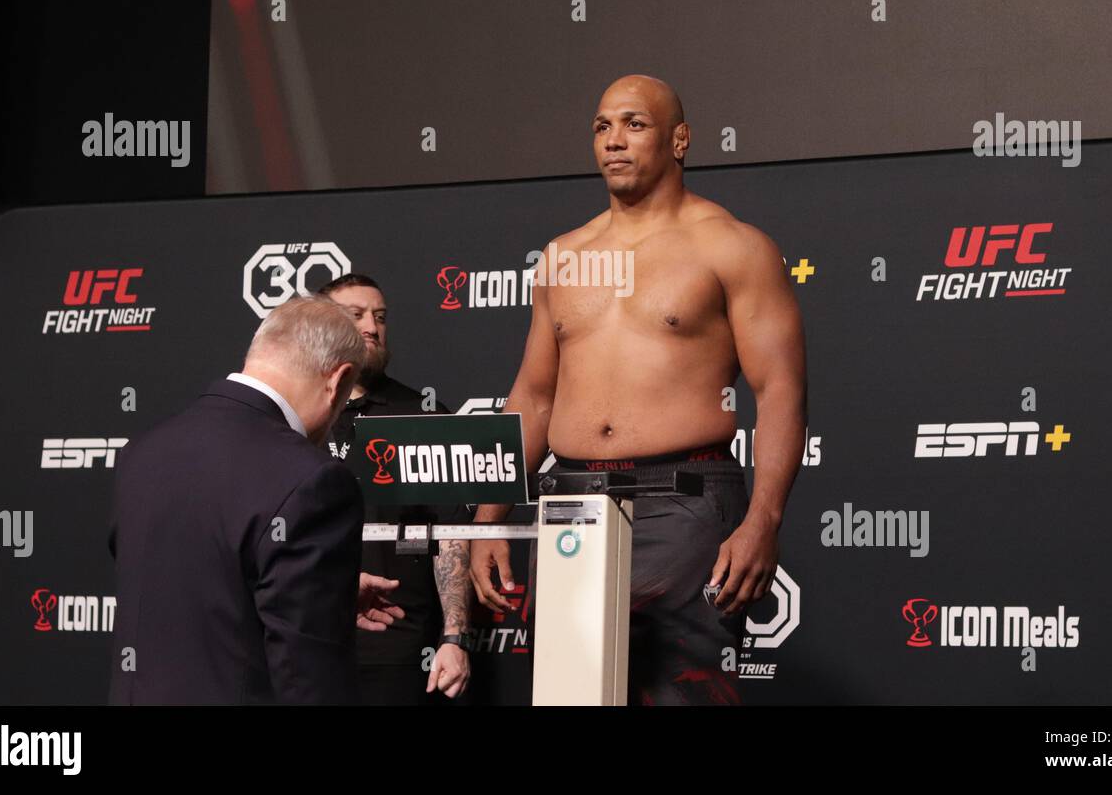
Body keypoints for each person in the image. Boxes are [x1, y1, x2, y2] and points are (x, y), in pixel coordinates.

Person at [470, 75, 807, 705]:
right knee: (572, 696)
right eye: (602, 127)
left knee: (677, 697)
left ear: (679, 139)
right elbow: (535, 395)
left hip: (681, 502)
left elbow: (780, 389)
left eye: (634, 124)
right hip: (571, 501)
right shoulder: (563, 256)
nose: (614, 141)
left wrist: (763, 520)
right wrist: (489, 519)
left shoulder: (732, 247)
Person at [108, 294, 404, 704]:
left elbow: (191, 588)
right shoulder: (315, 479)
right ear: (338, 381)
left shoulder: (143, 452)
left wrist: (324, 594)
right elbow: (308, 682)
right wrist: (318, 608)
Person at [320, 273, 472, 704]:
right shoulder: (296, 417)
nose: (371, 326)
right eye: (355, 315)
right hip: (303, 639)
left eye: (380, 316)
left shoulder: (420, 417)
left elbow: (452, 536)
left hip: (397, 647)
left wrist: (455, 639)